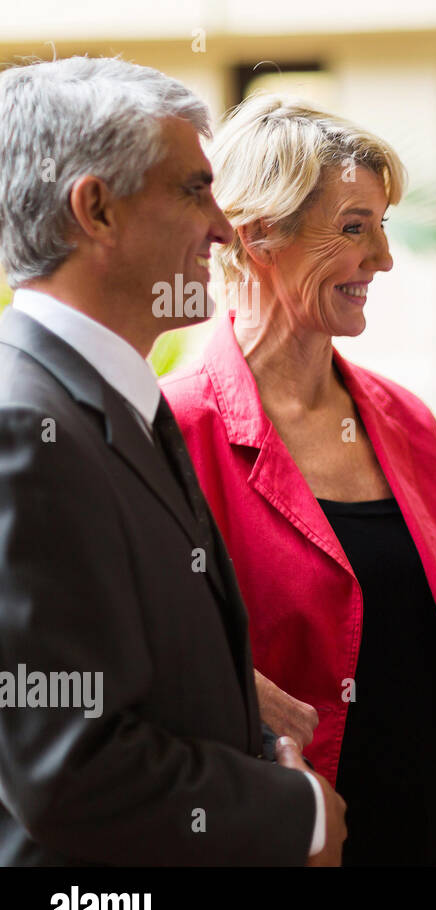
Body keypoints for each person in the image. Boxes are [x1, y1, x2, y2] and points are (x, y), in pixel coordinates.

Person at [160, 95, 436, 866]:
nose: (386, 258)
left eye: (383, 226)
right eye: (355, 227)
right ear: (258, 235)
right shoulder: (174, 431)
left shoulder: (405, 418)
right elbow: (143, 664)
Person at [0, 57, 343, 865]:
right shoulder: (24, 428)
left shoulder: (118, 398)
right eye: (194, 190)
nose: (223, 228)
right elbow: (68, 768)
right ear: (97, 210)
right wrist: (298, 814)